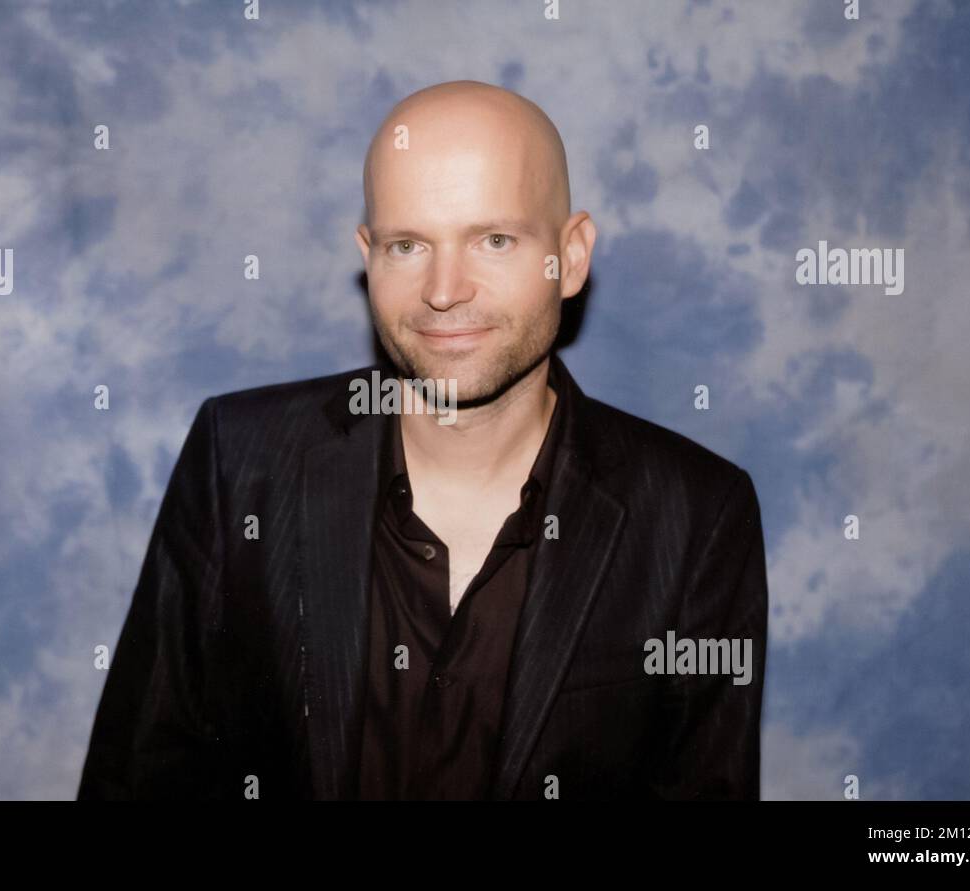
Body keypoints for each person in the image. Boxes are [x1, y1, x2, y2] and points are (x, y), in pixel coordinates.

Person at [78, 80, 767, 800]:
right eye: (408, 245)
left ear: (572, 255)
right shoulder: (238, 462)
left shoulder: (698, 517)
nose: (444, 290)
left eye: (494, 239)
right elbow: (136, 777)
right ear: (367, 255)